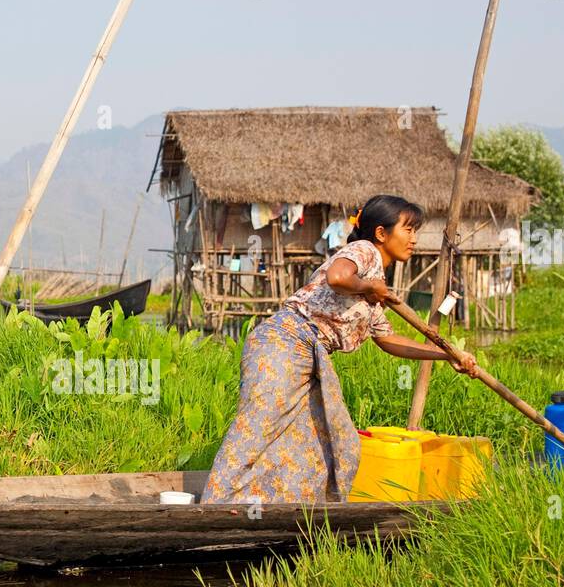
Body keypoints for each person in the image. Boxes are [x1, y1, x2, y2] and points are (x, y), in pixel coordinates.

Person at [202, 194, 478, 504]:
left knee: (331, 443)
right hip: (283, 343)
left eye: (416, 231)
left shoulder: (378, 281)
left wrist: (446, 355)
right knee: (258, 426)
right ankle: (217, 504)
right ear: (381, 234)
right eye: (409, 230)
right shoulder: (364, 252)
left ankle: (282, 510)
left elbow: (388, 339)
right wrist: (367, 288)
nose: (414, 239)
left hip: (309, 357)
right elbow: (337, 277)